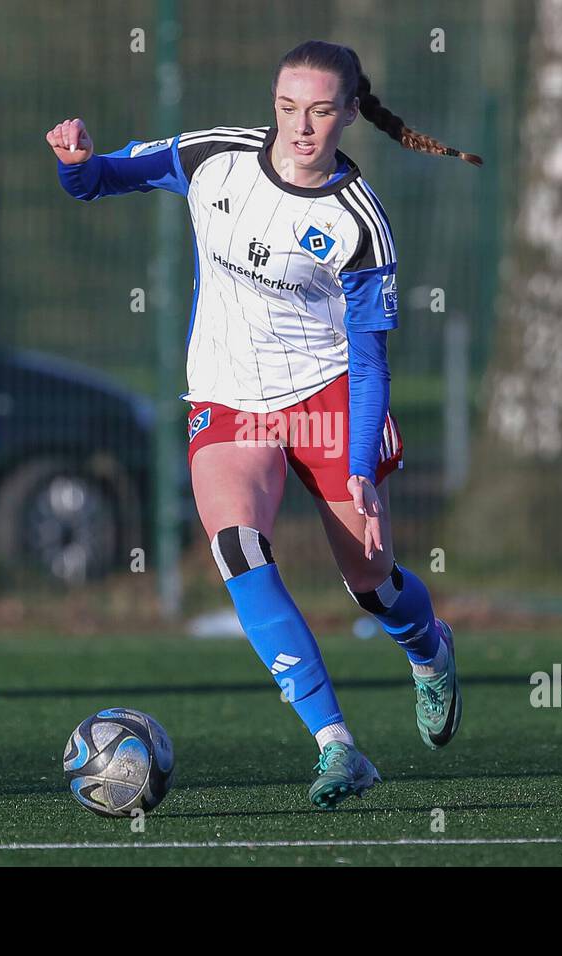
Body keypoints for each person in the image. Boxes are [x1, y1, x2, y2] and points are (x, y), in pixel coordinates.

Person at [48, 40, 482, 809]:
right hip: (228, 396)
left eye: (320, 111)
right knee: (238, 549)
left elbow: (371, 358)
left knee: (372, 585)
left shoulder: (359, 223)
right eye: (287, 108)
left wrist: (358, 465)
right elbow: (100, 181)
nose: (301, 127)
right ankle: (338, 746)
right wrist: (76, 162)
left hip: (328, 395)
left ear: (350, 112)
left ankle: (429, 649)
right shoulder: (215, 156)